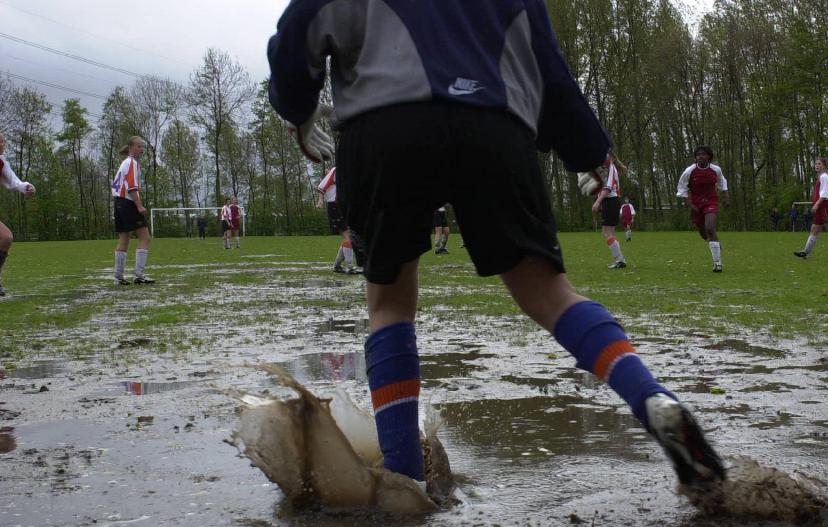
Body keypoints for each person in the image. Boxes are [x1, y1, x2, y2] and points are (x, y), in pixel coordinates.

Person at [267, 0, 726, 496]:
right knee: (551, 294)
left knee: (390, 305)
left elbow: (302, 25)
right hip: (495, 126)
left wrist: (296, 103)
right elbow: (550, 70)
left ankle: (404, 481)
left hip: (385, 128)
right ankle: (650, 397)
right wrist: (589, 150)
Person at [676, 146, 728, 272]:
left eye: (703, 154)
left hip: (711, 201)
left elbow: (722, 183)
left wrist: (726, 197)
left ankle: (717, 263)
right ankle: (715, 243)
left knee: (710, 227)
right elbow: (681, 188)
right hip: (696, 204)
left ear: (709, 156)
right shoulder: (689, 171)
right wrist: (690, 204)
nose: (700, 156)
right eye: (698, 154)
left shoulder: (716, 170)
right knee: (704, 234)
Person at [111, 136, 154, 285]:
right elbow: (131, 187)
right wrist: (139, 205)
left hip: (118, 203)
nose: (141, 149)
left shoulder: (125, 163)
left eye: (143, 147)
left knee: (124, 239)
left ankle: (118, 277)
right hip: (128, 203)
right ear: (130, 147)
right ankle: (139, 275)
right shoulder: (132, 163)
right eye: (138, 146)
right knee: (145, 237)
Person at [0, 132, 37, 297]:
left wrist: (27, 187)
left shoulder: (1, 163)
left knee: (6, 238)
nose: (3, 144)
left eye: (3, 141)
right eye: (0, 141)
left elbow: (14, 182)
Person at [793, 157, 828, 260]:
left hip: (824, 206)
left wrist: (817, 204)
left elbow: (826, 193)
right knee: (814, 228)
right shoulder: (821, 177)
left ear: (824, 166)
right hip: (821, 207)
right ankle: (806, 252)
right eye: (816, 164)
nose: (817, 165)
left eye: (819, 164)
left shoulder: (824, 177)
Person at [317, 166, 361, 273]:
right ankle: (350, 268)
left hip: (343, 207)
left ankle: (337, 266)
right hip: (334, 206)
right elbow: (321, 187)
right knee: (348, 236)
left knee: (349, 236)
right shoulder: (336, 170)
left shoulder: (349, 173)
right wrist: (320, 201)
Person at [592, 153, 628, 269]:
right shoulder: (607, 169)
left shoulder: (610, 168)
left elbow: (608, 188)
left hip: (611, 201)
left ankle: (620, 259)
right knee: (610, 233)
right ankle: (619, 259)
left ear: (611, 158)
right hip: (611, 202)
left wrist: (598, 202)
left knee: (606, 233)